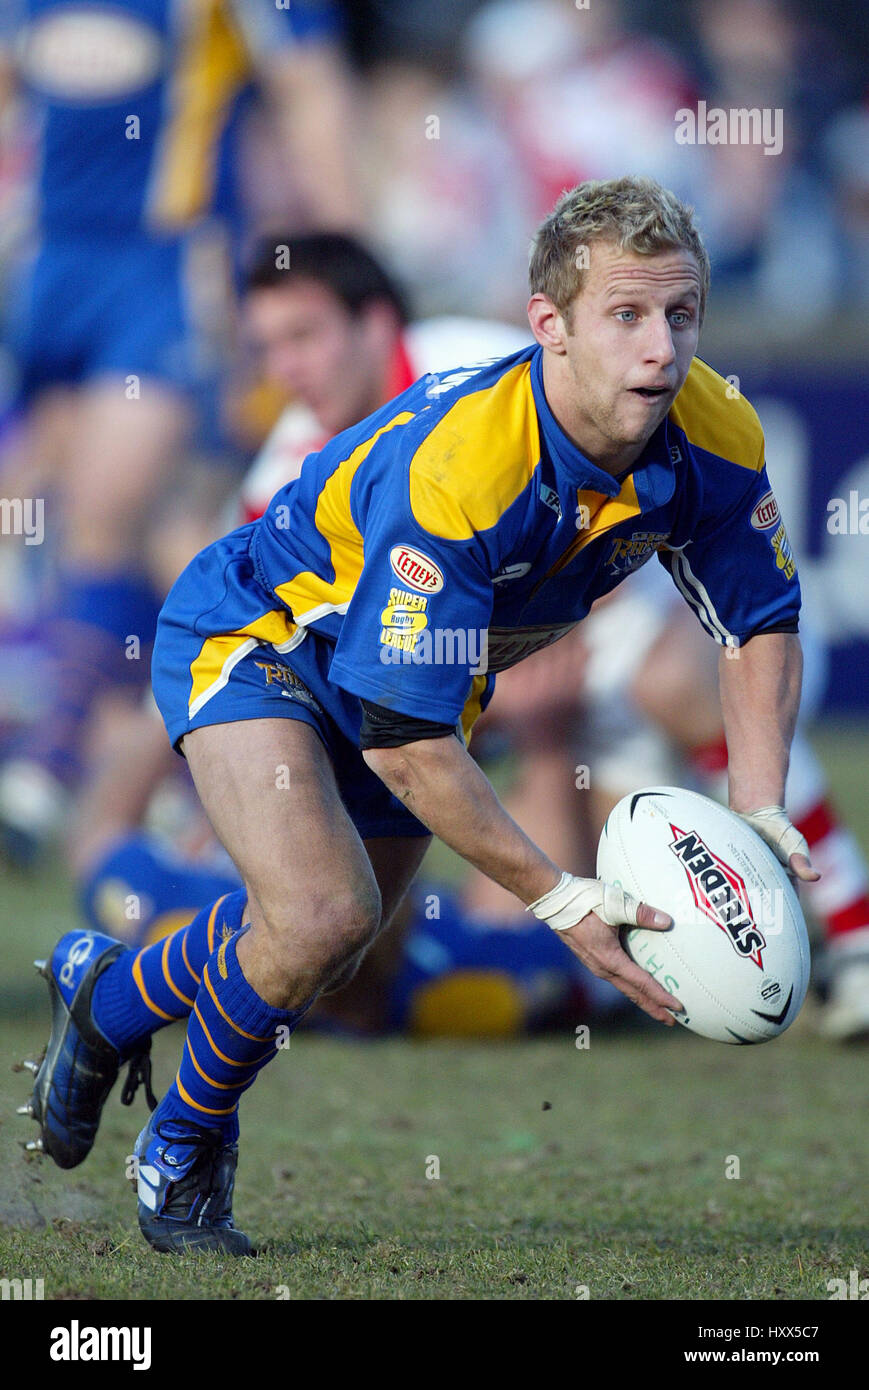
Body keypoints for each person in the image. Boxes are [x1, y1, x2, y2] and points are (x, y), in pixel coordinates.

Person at [20, 176, 817, 1256]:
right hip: (258, 639)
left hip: (404, 679)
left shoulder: (712, 429)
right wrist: (560, 898)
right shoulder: (465, 474)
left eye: (679, 314)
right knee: (320, 914)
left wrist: (758, 803)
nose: (658, 348)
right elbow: (404, 741)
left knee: (348, 953)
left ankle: (110, 996)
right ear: (550, 328)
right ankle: (181, 1150)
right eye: (624, 315)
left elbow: (758, 619)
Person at [0, 0, 360, 861]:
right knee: (139, 527)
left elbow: (310, 93)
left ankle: (46, 771)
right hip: (50, 266)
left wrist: (350, 262)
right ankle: (192, 751)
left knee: (108, 503)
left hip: (170, 262)